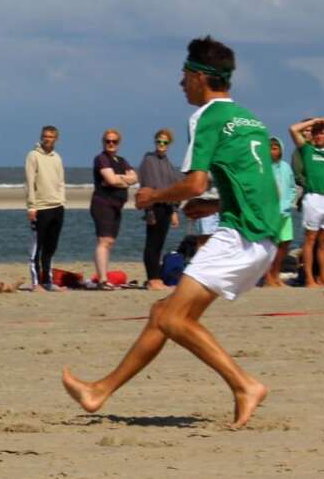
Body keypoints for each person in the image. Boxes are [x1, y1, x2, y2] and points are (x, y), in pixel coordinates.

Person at [63, 35, 281, 429]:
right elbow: (259, 185)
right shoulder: (252, 119)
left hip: (239, 237)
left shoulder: (206, 117)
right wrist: (215, 206)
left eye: (184, 75)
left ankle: (245, 385)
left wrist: (154, 197)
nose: (180, 83)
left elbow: (195, 183)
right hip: (263, 237)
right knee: (162, 312)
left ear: (200, 77)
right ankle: (99, 391)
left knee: (174, 320)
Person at [89, 128, 138, 289]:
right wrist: (122, 179)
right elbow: (111, 180)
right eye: (108, 141)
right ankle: (102, 280)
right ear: (103, 142)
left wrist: (120, 179)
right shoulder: (101, 159)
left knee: (110, 242)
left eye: (114, 141)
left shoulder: (121, 160)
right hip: (103, 204)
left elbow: (135, 178)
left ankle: (104, 278)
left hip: (117, 205)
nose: (111, 144)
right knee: (104, 240)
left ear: (118, 143)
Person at [138, 128, 182, 290]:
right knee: (152, 243)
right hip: (154, 207)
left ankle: (156, 277)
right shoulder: (149, 159)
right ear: (155, 142)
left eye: (165, 142)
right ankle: (153, 278)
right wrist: (149, 210)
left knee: (159, 243)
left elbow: (175, 187)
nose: (161, 145)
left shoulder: (168, 164)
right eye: (159, 141)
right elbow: (147, 186)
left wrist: (175, 212)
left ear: (169, 144)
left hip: (167, 207)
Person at [25, 125, 65, 291]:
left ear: (56, 139)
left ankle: (48, 281)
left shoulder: (57, 157)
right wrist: (31, 207)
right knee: (37, 247)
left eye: (50, 136)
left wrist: (62, 201)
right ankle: (36, 283)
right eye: (45, 136)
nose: (47, 139)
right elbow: (29, 182)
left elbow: (61, 181)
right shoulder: (33, 155)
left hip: (57, 206)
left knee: (51, 246)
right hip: (40, 207)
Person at [289, 118, 324, 286]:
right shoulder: (308, 150)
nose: (319, 135)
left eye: (323, 132)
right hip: (313, 198)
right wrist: (316, 121)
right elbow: (293, 129)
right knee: (310, 239)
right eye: (316, 132)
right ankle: (310, 278)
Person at [264, 136, 297, 287]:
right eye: (269, 148)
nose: (272, 151)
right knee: (269, 245)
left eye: (275, 148)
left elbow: (291, 187)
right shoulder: (263, 167)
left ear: (281, 150)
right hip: (269, 212)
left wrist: (288, 203)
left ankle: (276, 275)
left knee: (285, 243)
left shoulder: (285, 167)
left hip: (285, 212)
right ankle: (267, 278)